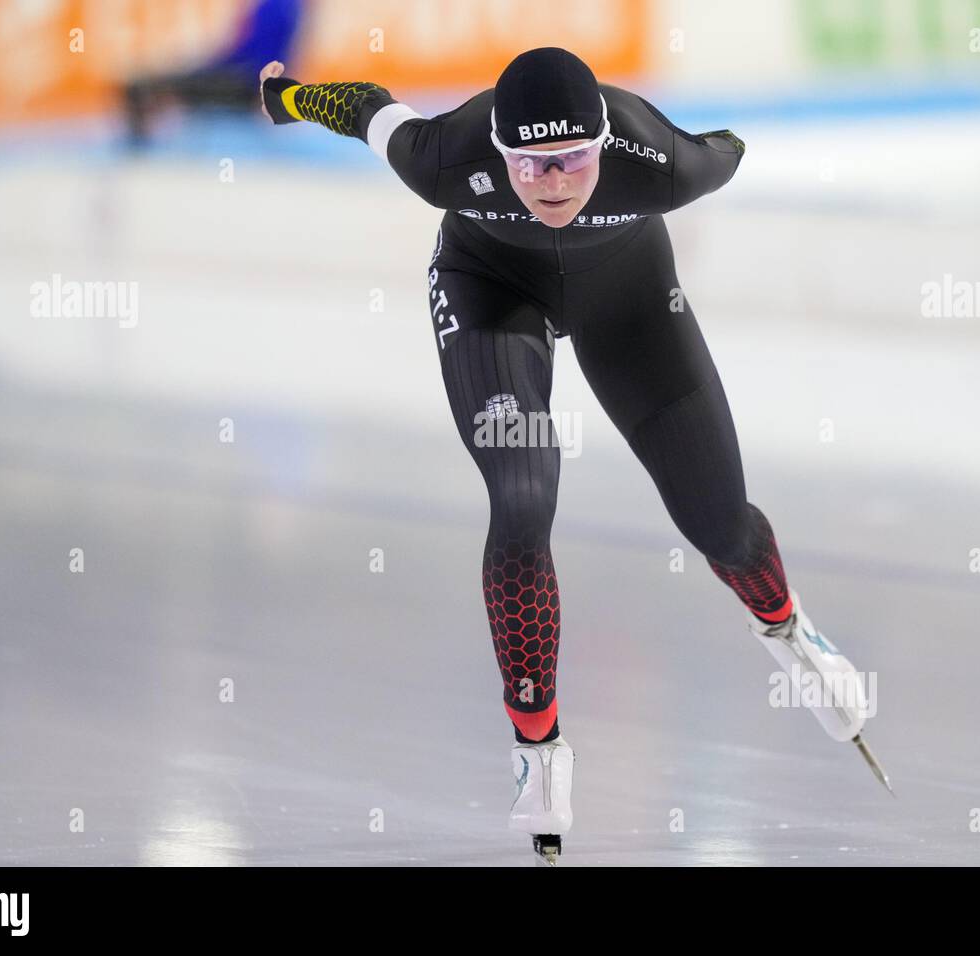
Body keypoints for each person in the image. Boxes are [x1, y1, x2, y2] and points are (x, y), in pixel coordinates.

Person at [258, 47, 884, 863]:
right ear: (499, 151)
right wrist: (288, 96)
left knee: (720, 523)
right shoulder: (446, 154)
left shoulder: (663, 162)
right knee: (522, 500)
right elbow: (368, 105)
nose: (554, 183)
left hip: (627, 298)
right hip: (491, 292)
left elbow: (727, 146)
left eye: (574, 161)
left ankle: (790, 630)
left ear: (604, 145)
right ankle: (539, 748)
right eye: (531, 166)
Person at [124, 0, 304, 147]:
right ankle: (143, 140)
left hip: (247, 86)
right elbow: (242, 53)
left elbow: (257, 58)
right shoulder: (278, 6)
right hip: (246, 80)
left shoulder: (279, 6)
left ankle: (140, 147)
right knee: (151, 85)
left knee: (145, 87)